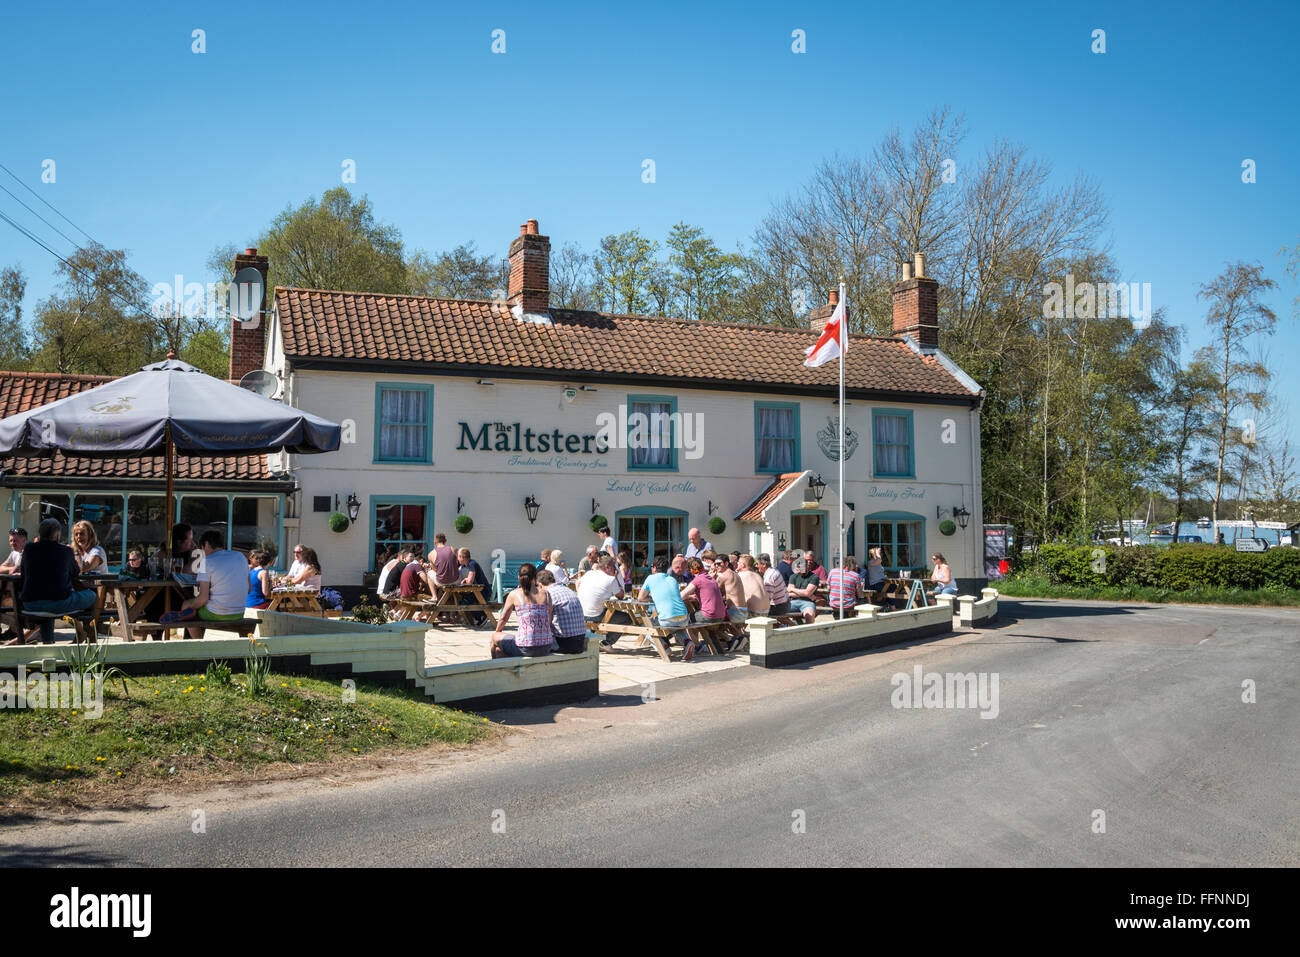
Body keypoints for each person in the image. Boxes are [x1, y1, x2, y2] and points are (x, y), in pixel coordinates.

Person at [13, 519, 96, 645]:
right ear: (57, 535)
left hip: (30, 604)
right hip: (58, 603)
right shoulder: (65, 551)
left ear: (40, 534)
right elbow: (75, 572)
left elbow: (23, 572)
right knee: (92, 595)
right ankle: (88, 635)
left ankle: (48, 642)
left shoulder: (29, 549)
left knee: (48, 602)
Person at [162, 530, 249, 638]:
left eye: (202, 549)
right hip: (239, 614)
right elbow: (248, 589)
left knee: (186, 605)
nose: (203, 552)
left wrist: (189, 609)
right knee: (195, 607)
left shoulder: (207, 561)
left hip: (217, 613)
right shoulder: (240, 556)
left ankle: (198, 643)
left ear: (206, 544)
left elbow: (203, 598)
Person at [636, 555, 698, 661]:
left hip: (667, 619)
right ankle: (687, 642)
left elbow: (640, 598)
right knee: (676, 627)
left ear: (654, 568)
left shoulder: (650, 578)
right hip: (684, 617)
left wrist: (652, 599)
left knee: (646, 627)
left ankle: (664, 648)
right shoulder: (672, 579)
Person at [492, 563, 553, 658]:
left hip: (526, 647)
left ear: (518, 577)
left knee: (495, 638)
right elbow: (549, 619)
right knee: (499, 651)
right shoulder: (546, 594)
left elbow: (503, 618)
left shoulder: (514, 594)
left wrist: (498, 631)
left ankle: (495, 669)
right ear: (535, 577)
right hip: (546, 646)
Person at [579, 554, 629, 644]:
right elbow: (621, 595)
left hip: (581, 613)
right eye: (614, 567)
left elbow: (578, 583)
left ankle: (590, 638)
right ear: (607, 567)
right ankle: (607, 643)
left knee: (602, 610)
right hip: (595, 615)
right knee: (626, 618)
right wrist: (616, 577)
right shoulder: (610, 579)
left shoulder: (588, 573)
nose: (615, 569)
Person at [536, 569, 587, 654]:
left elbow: (544, 623)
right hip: (580, 641)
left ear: (540, 585)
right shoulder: (568, 590)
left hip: (563, 643)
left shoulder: (548, 594)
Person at [683, 558, 726, 626]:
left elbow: (682, 596)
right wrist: (692, 597)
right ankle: (706, 637)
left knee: (684, 619)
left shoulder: (698, 579)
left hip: (710, 616)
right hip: (721, 615)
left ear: (690, 570)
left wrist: (689, 596)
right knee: (696, 617)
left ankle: (687, 637)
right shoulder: (711, 578)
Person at [712, 554, 749, 628]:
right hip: (744, 611)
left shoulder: (723, 576)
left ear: (726, 564)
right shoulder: (735, 574)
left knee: (712, 623)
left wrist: (711, 578)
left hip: (734, 612)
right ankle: (738, 637)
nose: (716, 566)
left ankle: (729, 638)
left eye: (719, 564)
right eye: (715, 564)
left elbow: (712, 592)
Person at [457, 547, 491, 626]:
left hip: (484, 591)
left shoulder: (472, 563)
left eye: (458, 556)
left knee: (465, 601)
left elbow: (470, 582)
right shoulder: (465, 566)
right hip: (477, 591)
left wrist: (465, 580)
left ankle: (483, 615)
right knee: (462, 601)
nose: (457, 558)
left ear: (462, 557)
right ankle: (477, 618)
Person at [786, 557, 820, 623]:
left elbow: (807, 593)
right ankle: (793, 627)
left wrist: (793, 589)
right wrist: (807, 594)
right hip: (793, 602)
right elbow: (789, 594)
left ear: (807, 566)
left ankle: (808, 632)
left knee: (810, 616)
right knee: (777, 613)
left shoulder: (814, 577)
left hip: (808, 602)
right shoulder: (793, 576)